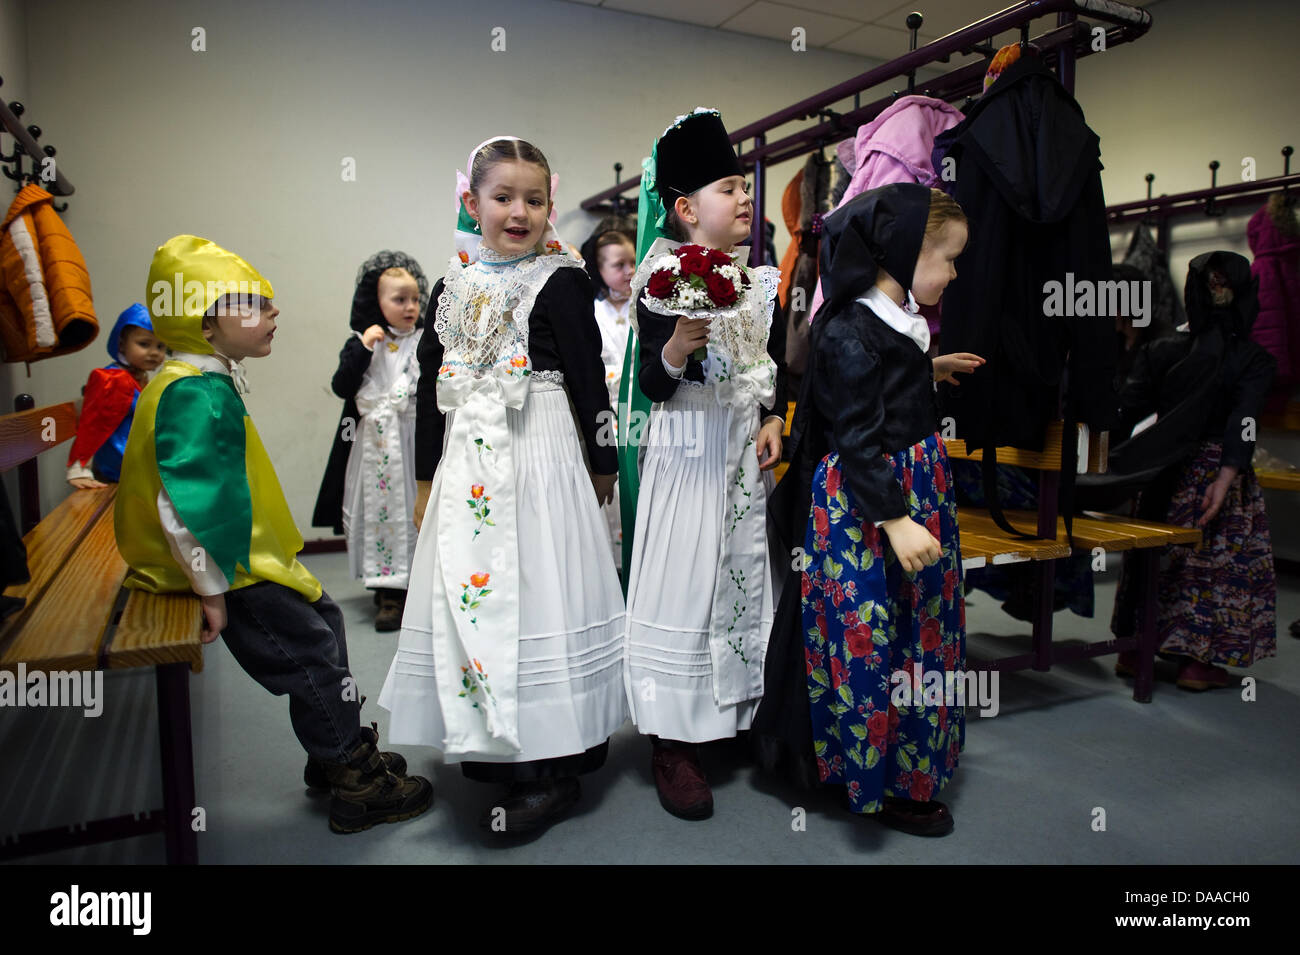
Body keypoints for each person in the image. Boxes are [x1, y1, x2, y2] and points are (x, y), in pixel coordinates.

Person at [114, 234, 432, 834]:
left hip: (238, 552)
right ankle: (355, 780)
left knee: (328, 622)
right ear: (204, 324)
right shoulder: (193, 390)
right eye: (254, 304)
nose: (274, 312)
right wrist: (210, 589)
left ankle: (332, 749)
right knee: (312, 655)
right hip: (225, 565)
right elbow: (180, 503)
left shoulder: (198, 375)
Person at [379, 138, 626, 835]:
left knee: (540, 589)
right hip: (467, 463)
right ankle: (487, 738)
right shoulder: (451, 285)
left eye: (535, 198)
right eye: (503, 197)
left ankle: (552, 763)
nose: (520, 211)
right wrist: (426, 477)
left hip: (540, 455)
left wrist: (602, 464)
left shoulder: (565, 279)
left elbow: (587, 382)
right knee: (473, 587)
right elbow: (431, 390)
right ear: (472, 203)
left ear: (551, 205)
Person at [764, 184, 981, 837]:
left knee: (922, 632)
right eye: (946, 258)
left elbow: (878, 389)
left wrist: (925, 369)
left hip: (910, 488)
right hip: (873, 505)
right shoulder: (852, 331)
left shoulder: (894, 319)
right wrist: (895, 517)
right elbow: (855, 437)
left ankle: (909, 763)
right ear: (901, 251)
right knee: (873, 638)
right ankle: (874, 777)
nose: (953, 272)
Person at [620, 108, 787, 820]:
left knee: (747, 575)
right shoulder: (662, 275)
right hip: (689, 454)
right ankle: (673, 737)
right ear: (687, 209)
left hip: (744, 457)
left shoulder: (758, 278)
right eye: (729, 188)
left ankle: (736, 715)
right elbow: (653, 386)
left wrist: (777, 415)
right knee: (686, 582)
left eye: (746, 187)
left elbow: (767, 370)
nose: (746, 198)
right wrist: (680, 346)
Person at [1112, 251, 1277, 690]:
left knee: (1155, 558)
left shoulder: (1160, 350)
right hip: (1214, 474)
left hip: (1161, 472)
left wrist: (1113, 474)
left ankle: (1133, 649)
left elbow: (1124, 413)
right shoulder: (1253, 359)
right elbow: (1244, 421)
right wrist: (1226, 479)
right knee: (1208, 567)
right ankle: (1196, 665)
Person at [312, 251, 430, 631]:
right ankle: (387, 590)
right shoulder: (363, 342)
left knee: (416, 510)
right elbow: (341, 386)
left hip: (414, 441)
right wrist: (363, 348)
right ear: (375, 303)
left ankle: (419, 583)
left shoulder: (426, 342)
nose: (409, 307)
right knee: (380, 513)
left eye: (414, 299)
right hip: (375, 444)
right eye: (399, 299)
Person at [581, 225, 637, 570]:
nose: (629, 270)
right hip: (607, 420)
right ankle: (612, 568)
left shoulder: (643, 310)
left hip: (642, 417)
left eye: (632, 262)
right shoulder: (592, 313)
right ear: (600, 270)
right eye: (619, 265)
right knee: (610, 498)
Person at [66, 303, 165, 488]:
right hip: (119, 469)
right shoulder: (113, 379)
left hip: (132, 465)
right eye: (144, 344)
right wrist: (79, 468)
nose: (154, 352)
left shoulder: (137, 378)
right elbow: (93, 424)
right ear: (121, 344)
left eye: (161, 346)